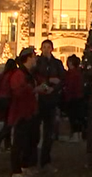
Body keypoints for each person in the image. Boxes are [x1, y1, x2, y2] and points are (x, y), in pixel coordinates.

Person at [34, 39, 65, 173]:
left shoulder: (57, 63)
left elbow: (63, 79)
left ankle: (45, 160)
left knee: (49, 133)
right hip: (39, 100)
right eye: (44, 47)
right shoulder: (37, 62)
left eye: (48, 47)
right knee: (34, 132)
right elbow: (35, 77)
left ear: (52, 49)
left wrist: (55, 88)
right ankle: (32, 160)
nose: (46, 49)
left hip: (51, 100)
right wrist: (48, 81)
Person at [9, 47, 40, 177]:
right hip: (22, 112)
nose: (35, 59)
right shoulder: (19, 74)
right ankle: (16, 169)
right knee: (19, 142)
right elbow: (18, 91)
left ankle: (25, 165)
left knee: (30, 140)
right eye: (33, 57)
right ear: (28, 58)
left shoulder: (29, 74)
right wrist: (32, 89)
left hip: (30, 111)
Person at [0, 59, 18, 152]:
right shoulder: (12, 75)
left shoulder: (3, 75)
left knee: (7, 122)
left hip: (1, 99)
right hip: (9, 99)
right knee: (9, 124)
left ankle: (7, 144)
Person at [62, 55, 85, 143]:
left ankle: (75, 135)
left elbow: (70, 86)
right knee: (78, 117)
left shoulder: (71, 74)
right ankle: (78, 135)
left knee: (73, 117)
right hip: (79, 97)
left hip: (73, 98)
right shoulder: (79, 73)